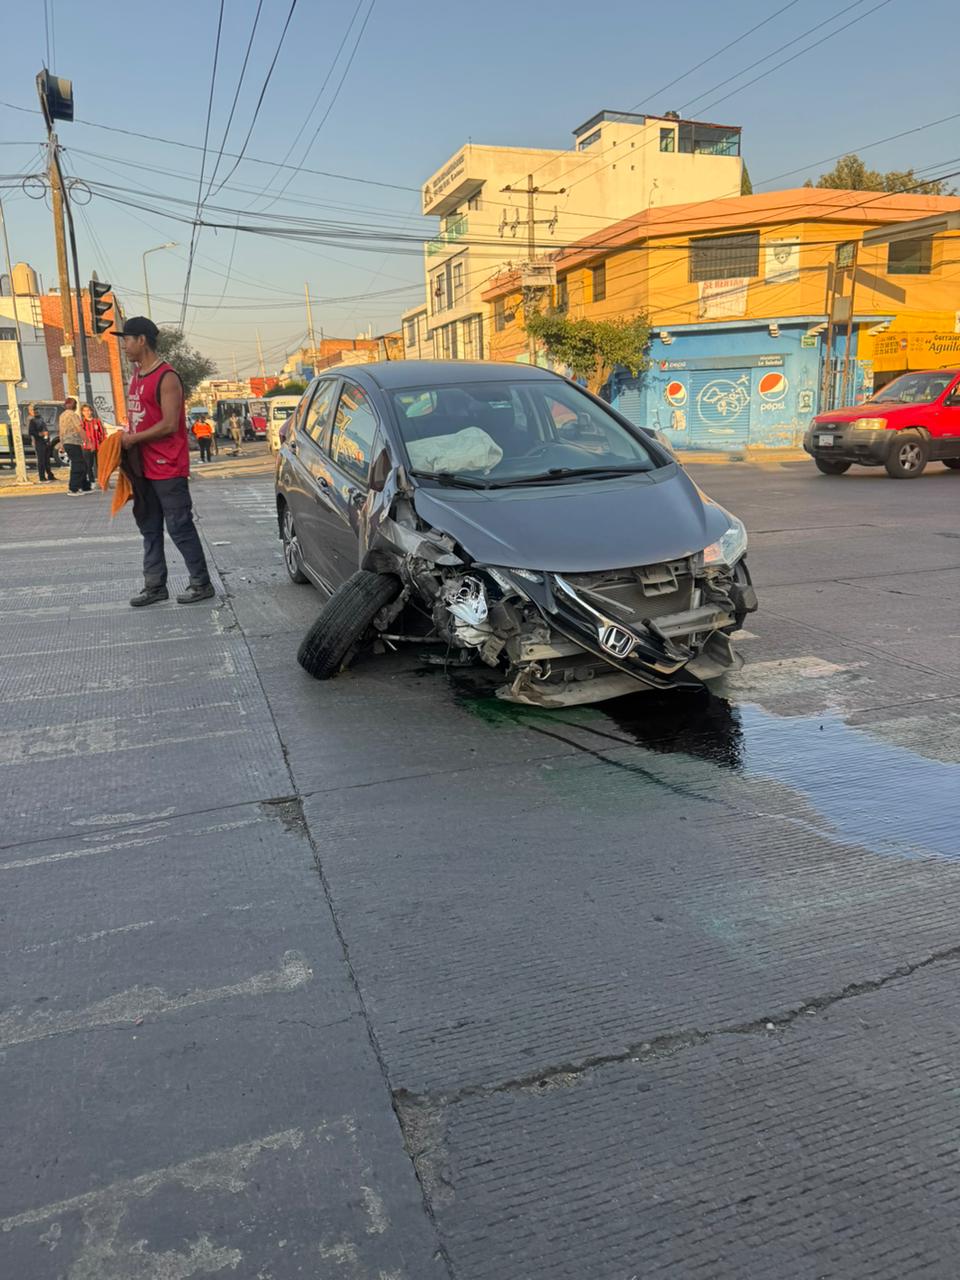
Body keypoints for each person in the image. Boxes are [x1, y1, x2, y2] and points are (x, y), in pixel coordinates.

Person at [116, 317, 214, 607]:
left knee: (180, 526)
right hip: (142, 468)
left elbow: (171, 424)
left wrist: (134, 439)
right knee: (149, 528)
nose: (124, 346)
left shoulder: (166, 377)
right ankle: (155, 586)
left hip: (167, 466)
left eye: (127, 339)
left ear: (142, 340)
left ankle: (201, 583)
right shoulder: (136, 376)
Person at [59, 397, 90, 495]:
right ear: (74, 405)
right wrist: (87, 440)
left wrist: (62, 443)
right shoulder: (73, 415)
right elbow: (79, 429)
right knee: (78, 464)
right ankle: (73, 488)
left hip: (67, 442)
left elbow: (61, 431)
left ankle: (85, 486)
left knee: (82, 464)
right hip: (73, 442)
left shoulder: (62, 415)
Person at [80, 403, 105, 488]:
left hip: (98, 445)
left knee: (100, 464)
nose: (87, 412)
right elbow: (80, 434)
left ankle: (102, 481)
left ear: (91, 411)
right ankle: (92, 481)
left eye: (88, 410)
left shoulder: (97, 421)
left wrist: (103, 443)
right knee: (88, 465)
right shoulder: (82, 422)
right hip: (87, 446)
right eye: (85, 411)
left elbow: (102, 433)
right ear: (82, 412)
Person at [28, 403, 54, 482]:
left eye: (36, 409)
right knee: (41, 460)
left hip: (45, 440)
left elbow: (45, 428)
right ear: (30, 411)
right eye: (33, 410)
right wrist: (41, 434)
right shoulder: (31, 420)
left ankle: (50, 475)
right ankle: (42, 477)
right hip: (38, 442)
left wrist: (47, 437)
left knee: (47, 459)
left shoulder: (40, 418)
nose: (36, 411)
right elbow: (31, 432)